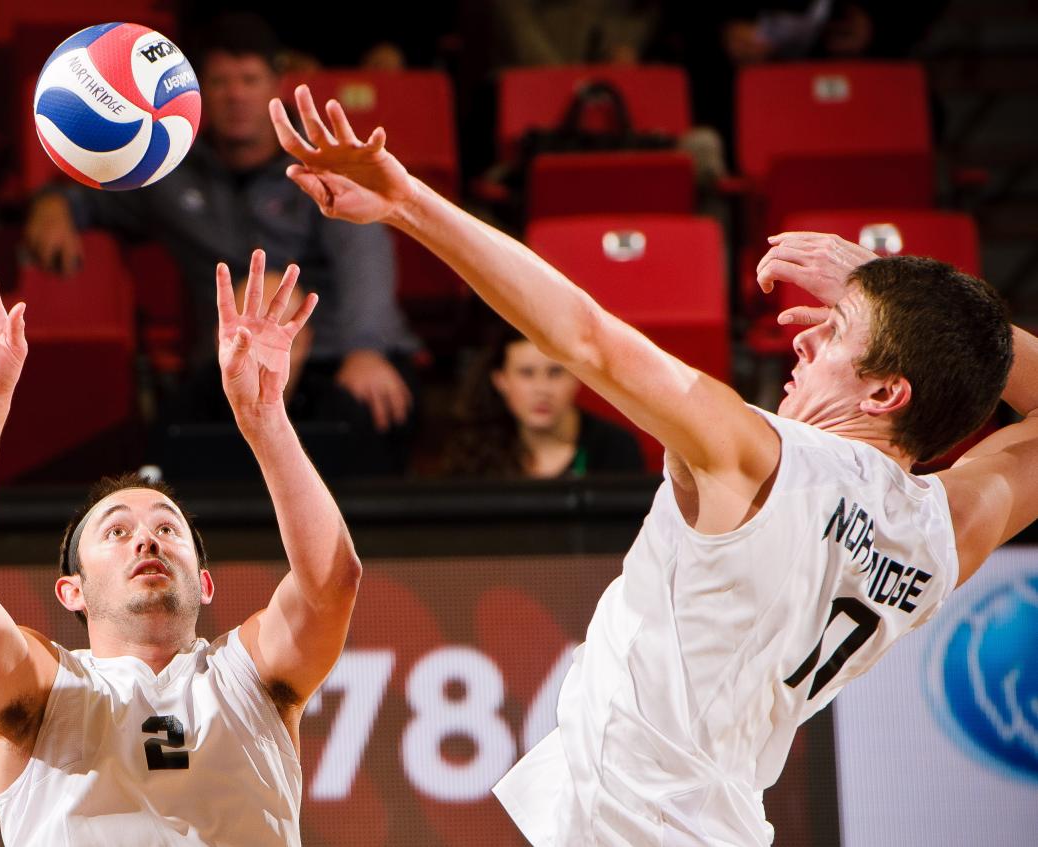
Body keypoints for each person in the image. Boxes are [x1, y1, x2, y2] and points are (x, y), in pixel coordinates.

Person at [269, 87, 1035, 844]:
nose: (800, 339)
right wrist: (912, 310)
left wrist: (408, 204)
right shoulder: (949, 527)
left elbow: (586, 338)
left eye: (834, 332)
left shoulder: (758, 455)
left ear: (886, 391)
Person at [0, 245, 362, 845]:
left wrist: (265, 416)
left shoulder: (246, 681)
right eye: (116, 530)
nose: (146, 536)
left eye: (168, 528)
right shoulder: (48, 694)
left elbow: (332, 583)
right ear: (71, 589)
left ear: (204, 581)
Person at [23, 13, 420, 450]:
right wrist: (54, 205)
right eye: (220, 82)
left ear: (276, 85)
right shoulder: (168, 168)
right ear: (196, 93)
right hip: (223, 367)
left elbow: (365, 259)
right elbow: (94, 196)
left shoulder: (326, 159)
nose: (236, 96)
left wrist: (366, 350)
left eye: (249, 80)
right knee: (163, 449)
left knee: (371, 418)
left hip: (337, 355)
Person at [161, 269, 406, 478]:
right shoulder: (183, 410)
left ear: (307, 341)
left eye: (284, 341)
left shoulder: (342, 410)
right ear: (219, 339)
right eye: (248, 337)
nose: (264, 358)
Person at [443, 322, 641, 478]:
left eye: (555, 372)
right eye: (527, 373)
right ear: (501, 380)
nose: (542, 389)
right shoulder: (473, 453)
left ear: (577, 378)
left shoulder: (616, 448)